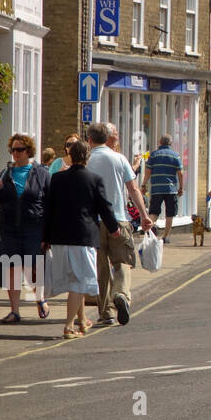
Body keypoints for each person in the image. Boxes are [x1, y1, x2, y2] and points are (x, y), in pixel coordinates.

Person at [43, 140, 118, 340]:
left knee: (77, 282)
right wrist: (114, 228)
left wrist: (45, 238)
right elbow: (105, 207)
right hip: (82, 238)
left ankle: (83, 320)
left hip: (59, 238)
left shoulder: (57, 178)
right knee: (79, 283)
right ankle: (69, 326)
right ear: (88, 157)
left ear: (71, 155)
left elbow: (49, 209)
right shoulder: (94, 179)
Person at [86, 123, 150, 325]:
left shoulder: (85, 160)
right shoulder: (119, 158)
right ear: (107, 138)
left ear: (89, 140)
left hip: (93, 222)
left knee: (101, 268)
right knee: (122, 262)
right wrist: (144, 215)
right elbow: (133, 189)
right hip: (119, 219)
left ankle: (106, 313)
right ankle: (121, 293)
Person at [0, 134, 52, 323]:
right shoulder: (6, 172)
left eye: (19, 150)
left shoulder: (41, 173)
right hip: (9, 227)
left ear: (28, 151)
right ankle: (15, 310)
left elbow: (50, 203)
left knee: (32, 267)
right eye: (13, 150)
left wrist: (48, 233)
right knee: (12, 266)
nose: (15, 153)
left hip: (34, 226)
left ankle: (39, 298)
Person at [142, 134, 184, 244]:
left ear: (160, 142)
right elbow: (180, 174)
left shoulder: (153, 155)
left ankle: (147, 231)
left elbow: (147, 172)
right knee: (170, 213)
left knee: (154, 212)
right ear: (170, 143)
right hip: (171, 189)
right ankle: (165, 237)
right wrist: (181, 188)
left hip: (156, 189)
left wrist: (144, 185)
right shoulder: (175, 156)